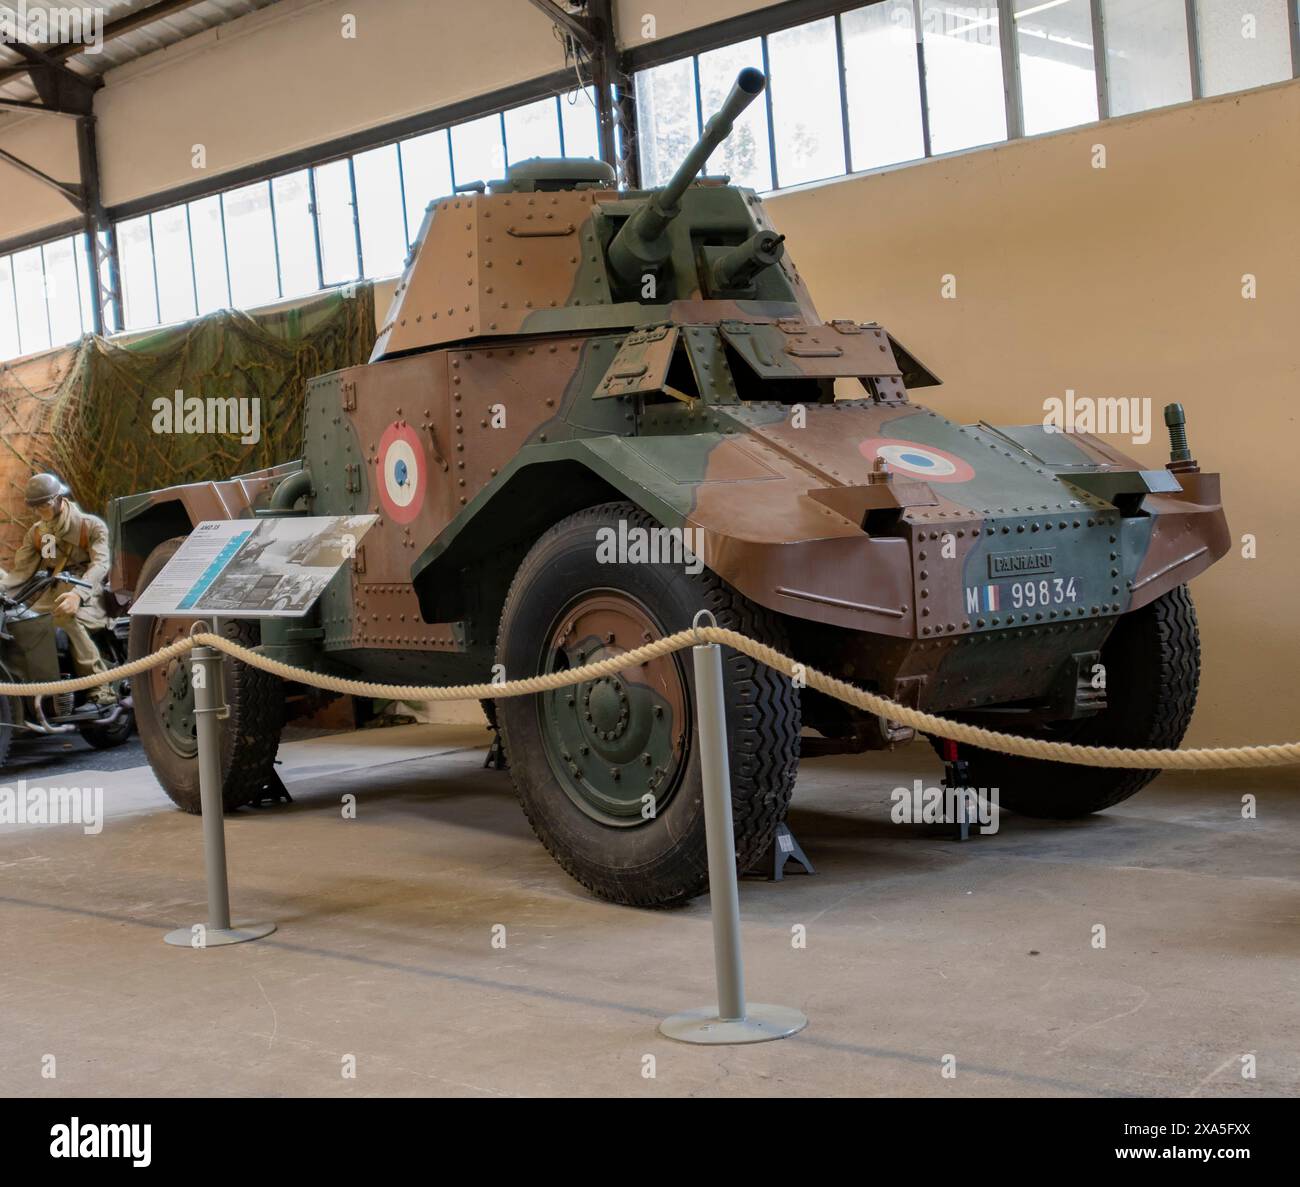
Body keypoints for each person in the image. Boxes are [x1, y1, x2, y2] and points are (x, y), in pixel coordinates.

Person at [4, 473, 116, 707]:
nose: (41, 512)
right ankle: (35, 694)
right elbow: (20, 574)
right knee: (22, 622)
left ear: (58, 499)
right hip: (51, 592)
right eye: (36, 507)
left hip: (89, 593)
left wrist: (77, 594)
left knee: (64, 618)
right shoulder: (39, 533)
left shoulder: (90, 526)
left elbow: (101, 565)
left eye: (44, 505)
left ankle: (101, 688)